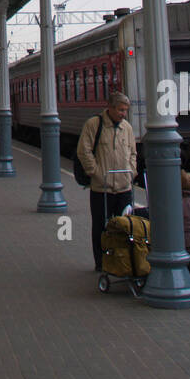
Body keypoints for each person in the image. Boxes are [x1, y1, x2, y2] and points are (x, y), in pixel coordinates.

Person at [77, 91, 138, 271]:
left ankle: (123, 262)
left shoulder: (127, 127)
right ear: (110, 108)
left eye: (125, 110)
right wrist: (95, 172)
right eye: (120, 110)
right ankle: (101, 263)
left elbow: (133, 153)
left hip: (124, 187)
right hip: (101, 188)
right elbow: (84, 151)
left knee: (126, 227)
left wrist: (131, 172)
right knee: (101, 227)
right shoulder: (94, 124)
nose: (123, 114)